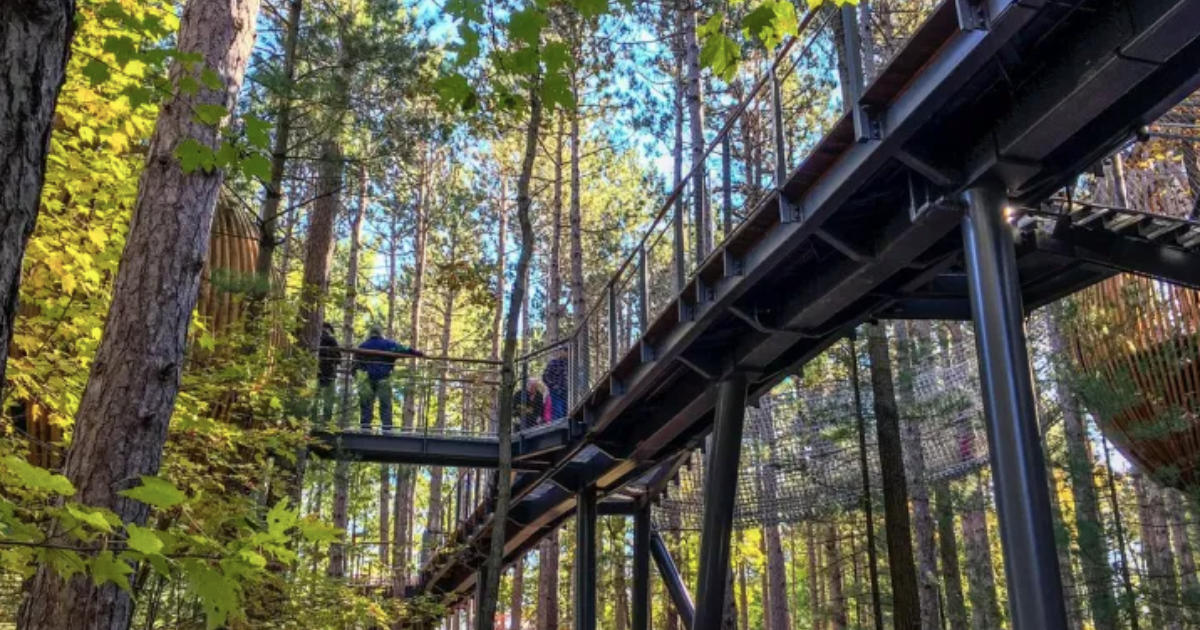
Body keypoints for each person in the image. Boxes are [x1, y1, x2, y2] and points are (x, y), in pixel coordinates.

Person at [356, 324, 424, 430]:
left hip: (367, 378)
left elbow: (356, 363)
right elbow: (403, 348)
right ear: (380, 333)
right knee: (385, 405)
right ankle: (387, 430)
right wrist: (418, 353)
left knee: (366, 405)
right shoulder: (388, 344)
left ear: (370, 334)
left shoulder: (363, 346)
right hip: (383, 378)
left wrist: (359, 374)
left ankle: (365, 429)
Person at [315, 323, 340, 428]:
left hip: (315, 372)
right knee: (328, 399)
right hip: (329, 372)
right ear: (329, 330)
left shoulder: (315, 338)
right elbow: (339, 358)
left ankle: (312, 420)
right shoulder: (331, 340)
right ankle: (326, 423)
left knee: (314, 397)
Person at [541, 346, 569, 421]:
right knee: (558, 412)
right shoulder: (554, 363)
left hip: (568, 393)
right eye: (566, 350)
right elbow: (545, 376)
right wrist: (553, 386)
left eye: (568, 350)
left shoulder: (571, 364)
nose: (567, 352)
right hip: (556, 392)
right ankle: (557, 428)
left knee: (566, 413)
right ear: (561, 351)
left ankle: (564, 430)